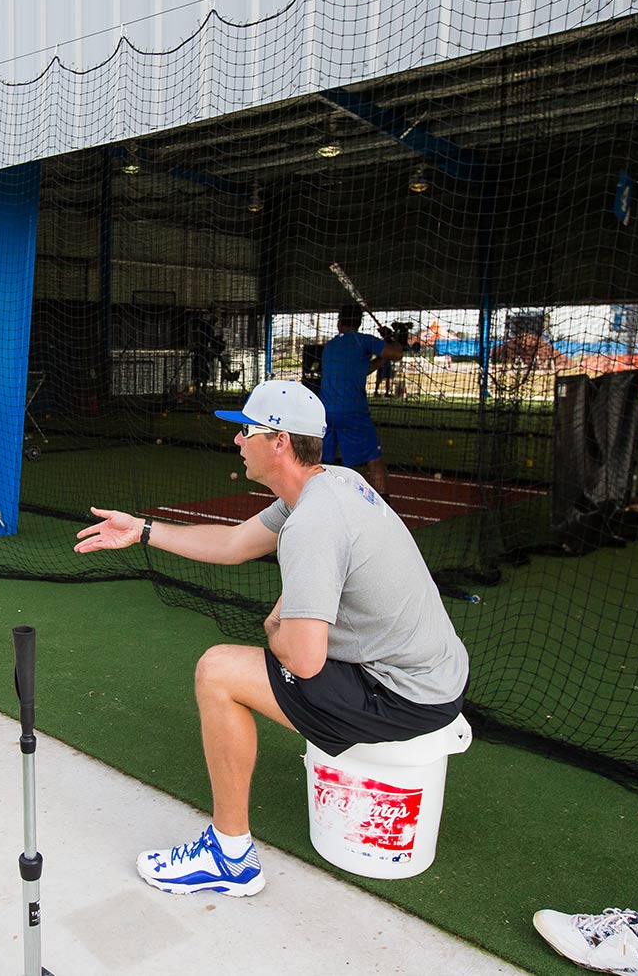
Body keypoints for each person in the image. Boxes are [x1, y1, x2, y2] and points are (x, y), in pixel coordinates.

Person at [74, 379, 468, 897]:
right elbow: (235, 543)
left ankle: (229, 856)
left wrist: (274, 626)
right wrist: (143, 530)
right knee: (250, 657)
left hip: (405, 695)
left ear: (279, 442)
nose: (237, 441)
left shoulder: (313, 523)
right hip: (434, 675)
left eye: (247, 431)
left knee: (218, 671)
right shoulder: (333, 481)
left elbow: (303, 661)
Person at [320, 305, 403, 497]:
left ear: (339, 323)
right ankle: (383, 505)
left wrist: (381, 359)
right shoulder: (363, 340)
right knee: (374, 459)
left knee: (323, 460)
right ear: (359, 323)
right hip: (353, 411)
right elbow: (397, 353)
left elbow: (360, 370)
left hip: (325, 412)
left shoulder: (330, 346)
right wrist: (390, 338)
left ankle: (320, 500)